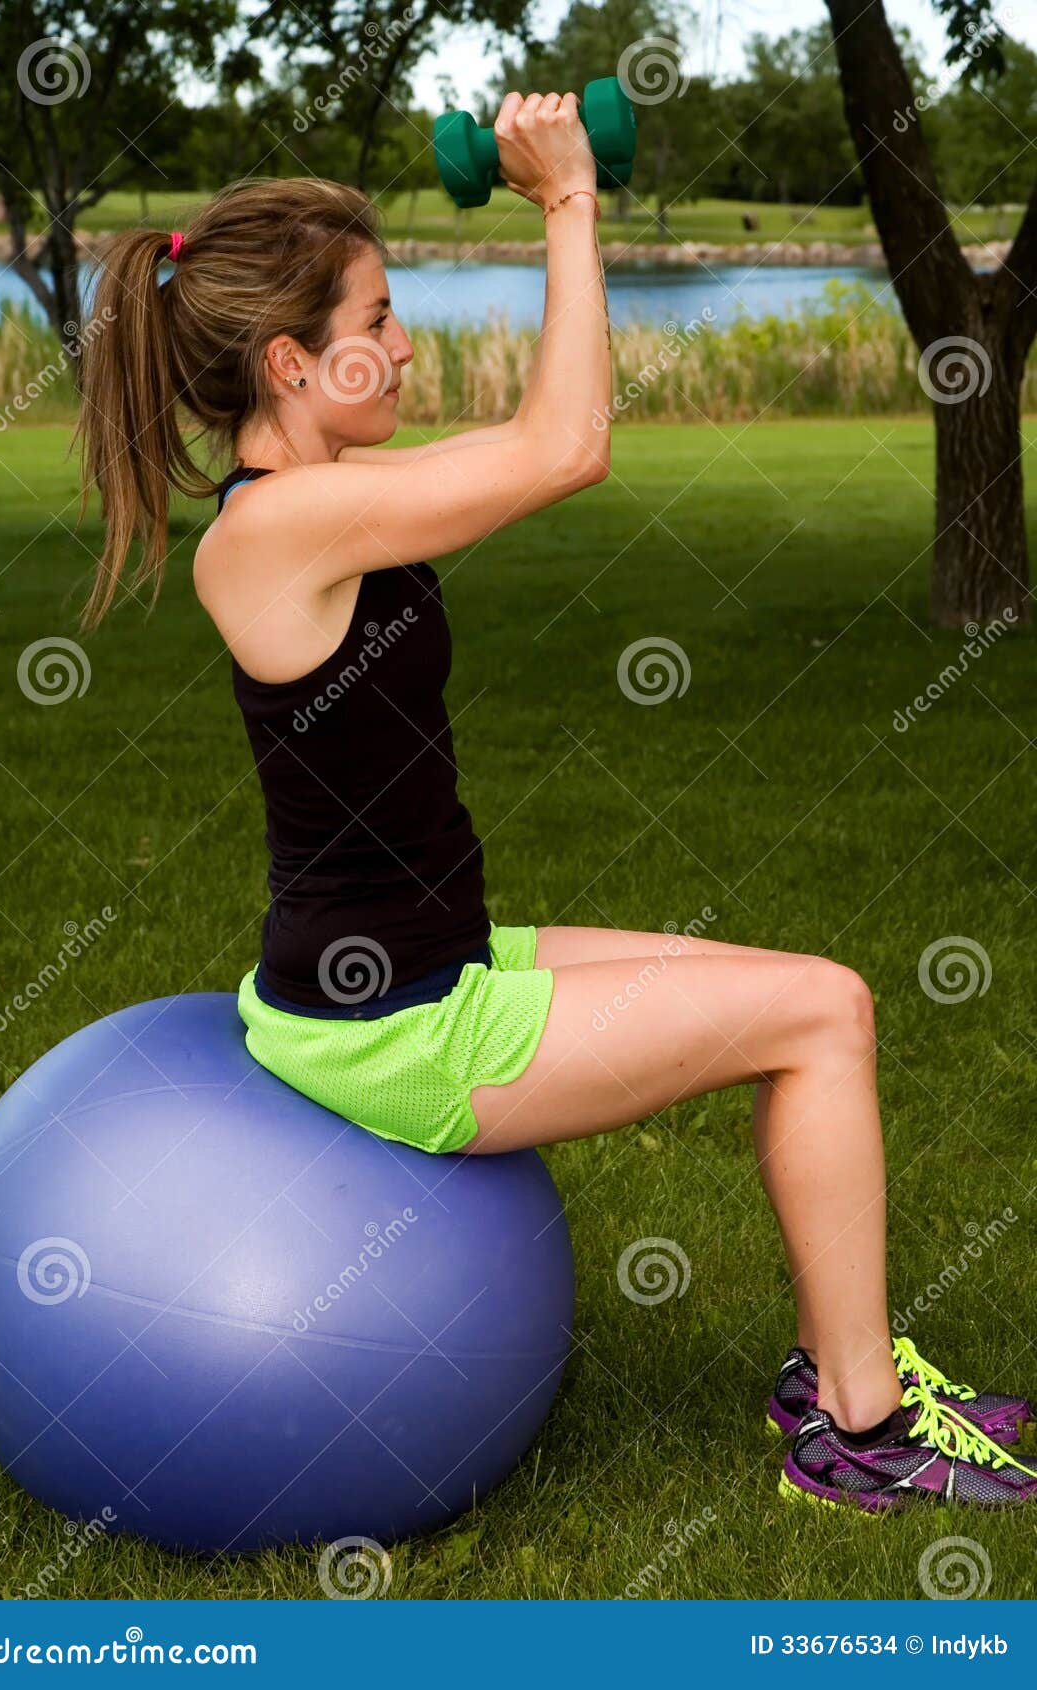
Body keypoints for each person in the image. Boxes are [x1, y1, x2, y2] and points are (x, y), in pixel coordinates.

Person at [76, 91, 1034, 1512]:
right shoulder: (283, 528)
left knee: (808, 1000)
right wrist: (566, 203)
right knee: (822, 1009)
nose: (405, 344)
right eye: (381, 320)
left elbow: (535, 439)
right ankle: (855, 1427)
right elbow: (570, 445)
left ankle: (845, 1374)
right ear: (291, 361)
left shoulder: (326, 496)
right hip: (402, 1022)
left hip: (416, 961)